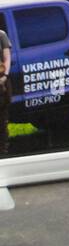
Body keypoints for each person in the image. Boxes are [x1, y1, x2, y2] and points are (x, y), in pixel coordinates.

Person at [0, 26, 12, 158]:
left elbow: (7, 58)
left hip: (2, 82)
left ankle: (3, 153)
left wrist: (4, 76)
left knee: (2, 121)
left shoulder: (1, 35)